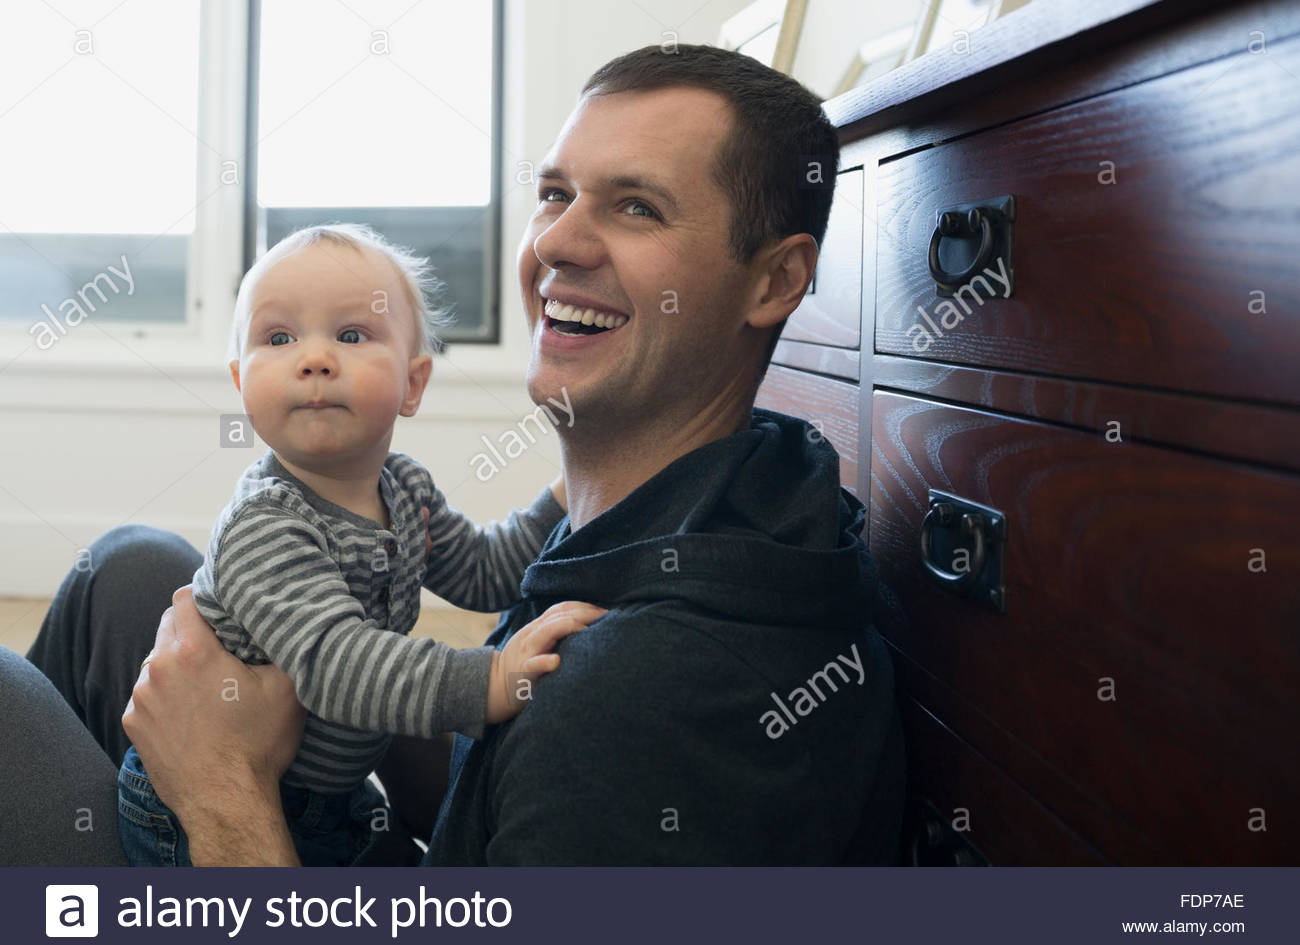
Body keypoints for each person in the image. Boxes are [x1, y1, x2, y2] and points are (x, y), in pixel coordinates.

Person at [0, 43, 903, 866]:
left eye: (637, 207)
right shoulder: (718, 487)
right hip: (348, 799)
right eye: (555, 194)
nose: (555, 242)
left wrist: (222, 792)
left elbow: (476, 588)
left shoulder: (650, 702)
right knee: (133, 564)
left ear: (775, 280)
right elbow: (481, 665)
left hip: (258, 841)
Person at [113, 222, 605, 867]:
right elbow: (340, 667)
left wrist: (570, 492)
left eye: (352, 335)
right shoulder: (265, 524)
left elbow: (486, 572)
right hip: (185, 810)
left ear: (412, 384)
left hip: (335, 793)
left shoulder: (404, 487)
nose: (313, 359)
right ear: (241, 384)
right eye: (278, 337)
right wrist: (489, 678)